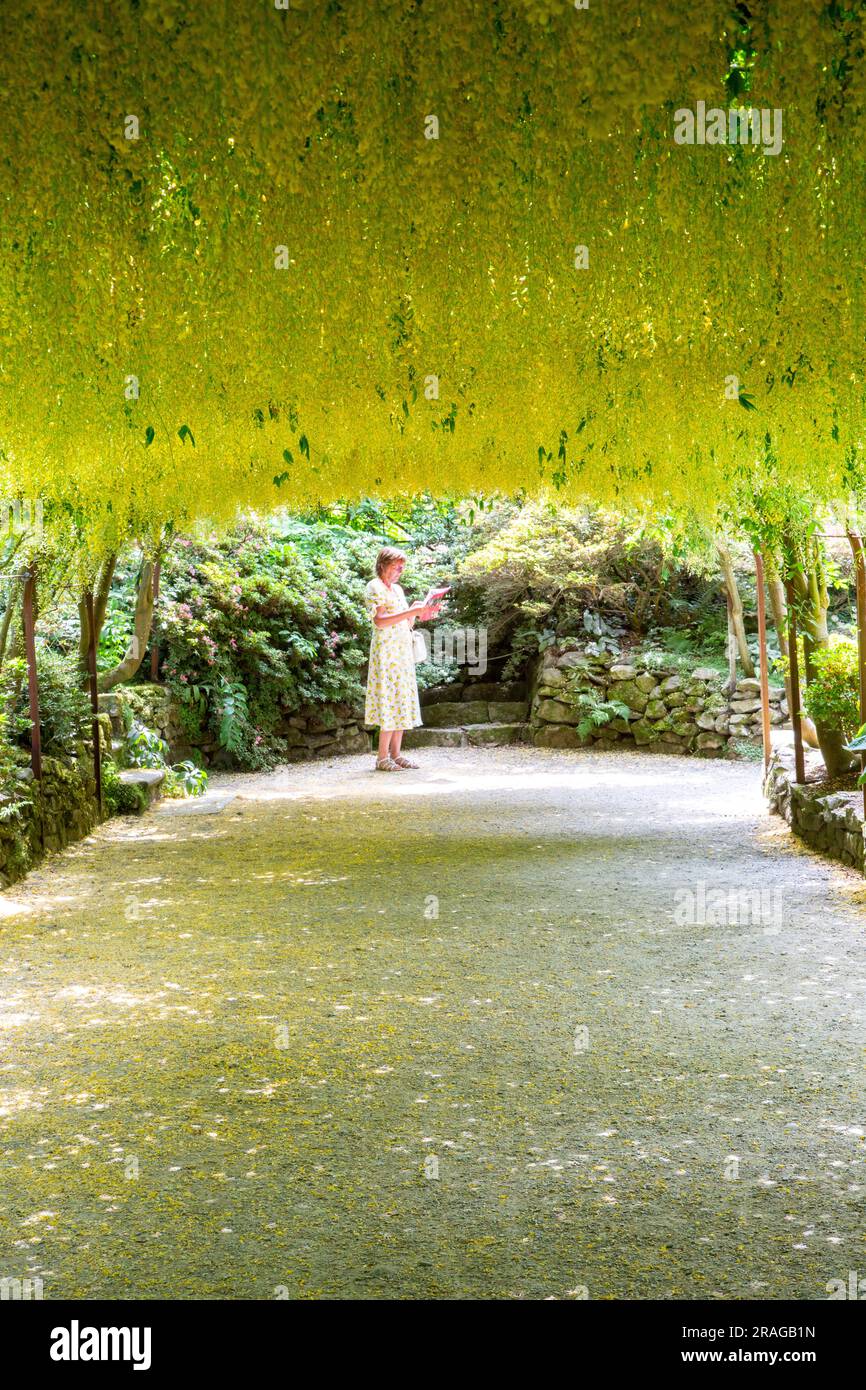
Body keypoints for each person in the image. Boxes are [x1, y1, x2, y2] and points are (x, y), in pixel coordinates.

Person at [364, 547, 442, 770]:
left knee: (401, 698)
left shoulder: (397, 590)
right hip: (386, 653)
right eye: (396, 565)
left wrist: (422, 612)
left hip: (402, 651)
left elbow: (407, 623)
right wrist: (410, 613)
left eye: (402, 566)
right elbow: (380, 620)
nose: (400, 570)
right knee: (389, 699)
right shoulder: (374, 586)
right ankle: (381, 757)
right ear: (383, 564)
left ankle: (396, 754)